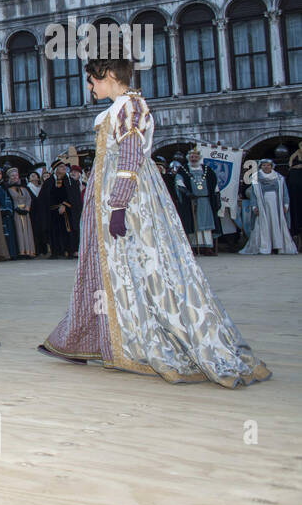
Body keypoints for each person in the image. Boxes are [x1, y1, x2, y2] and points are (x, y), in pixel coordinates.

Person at [39, 55, 268, 387]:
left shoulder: (128, 107)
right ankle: (96, 337)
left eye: (92, 80)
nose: (89, 86)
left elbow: (130, 155)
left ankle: (144, 338)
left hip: (130, 200)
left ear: (107, 76)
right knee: (116, 270)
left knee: (143, 267)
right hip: (114, 198)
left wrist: (118, 205)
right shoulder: (121, 106)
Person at [242, 159, 295, 255]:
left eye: (268, 165)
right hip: (263, 205)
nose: (266, 167)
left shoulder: (279, 178)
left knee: (275, 224)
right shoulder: (256, 178)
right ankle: (265, 246)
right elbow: (254, 194)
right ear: (260, 166)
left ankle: (277, 246)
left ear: (272, 166)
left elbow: (285, 193)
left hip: (276, 205)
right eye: (264, 165)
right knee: (263, 224)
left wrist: (285, 205)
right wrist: (254, 207)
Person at [184, 148, 221, 256]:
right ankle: (195, 247)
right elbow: (179, 182)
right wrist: (187, 193)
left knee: (207, 223)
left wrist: (217, 198)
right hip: (192, 201)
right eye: (191, 156)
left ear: (199, 158)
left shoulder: (207, 170)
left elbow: (214, 184)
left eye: (195, 156)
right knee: (194, 224)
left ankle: (207, 247)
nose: (193, 158)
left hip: (206, 201)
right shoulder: (184, 169)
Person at [43, 161, 79, 258]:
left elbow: (74, 196)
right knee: (55, 232)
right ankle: (57, 251)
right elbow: (44, 198)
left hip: (67, 211)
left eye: (64, 167)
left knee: (68, 231)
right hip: (53, 212)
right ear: (56, 169)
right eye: (61, 167)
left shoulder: (70, 181)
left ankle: (70, 250)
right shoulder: (49, 182)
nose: (64, 168)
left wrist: (64, 205)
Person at [4, 167, 37, 258]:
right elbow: (9, 200)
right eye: (13, 176)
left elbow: (28, 198)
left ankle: (29, 251)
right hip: (16, 213)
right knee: (18, 231)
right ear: (10, 177)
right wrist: (16, 208)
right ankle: (21, 251)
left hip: (25, 212)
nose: (15, 177)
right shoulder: (8, 189)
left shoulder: (24, 188)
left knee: (27, 231)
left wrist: (27, 208)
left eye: (16, 175)